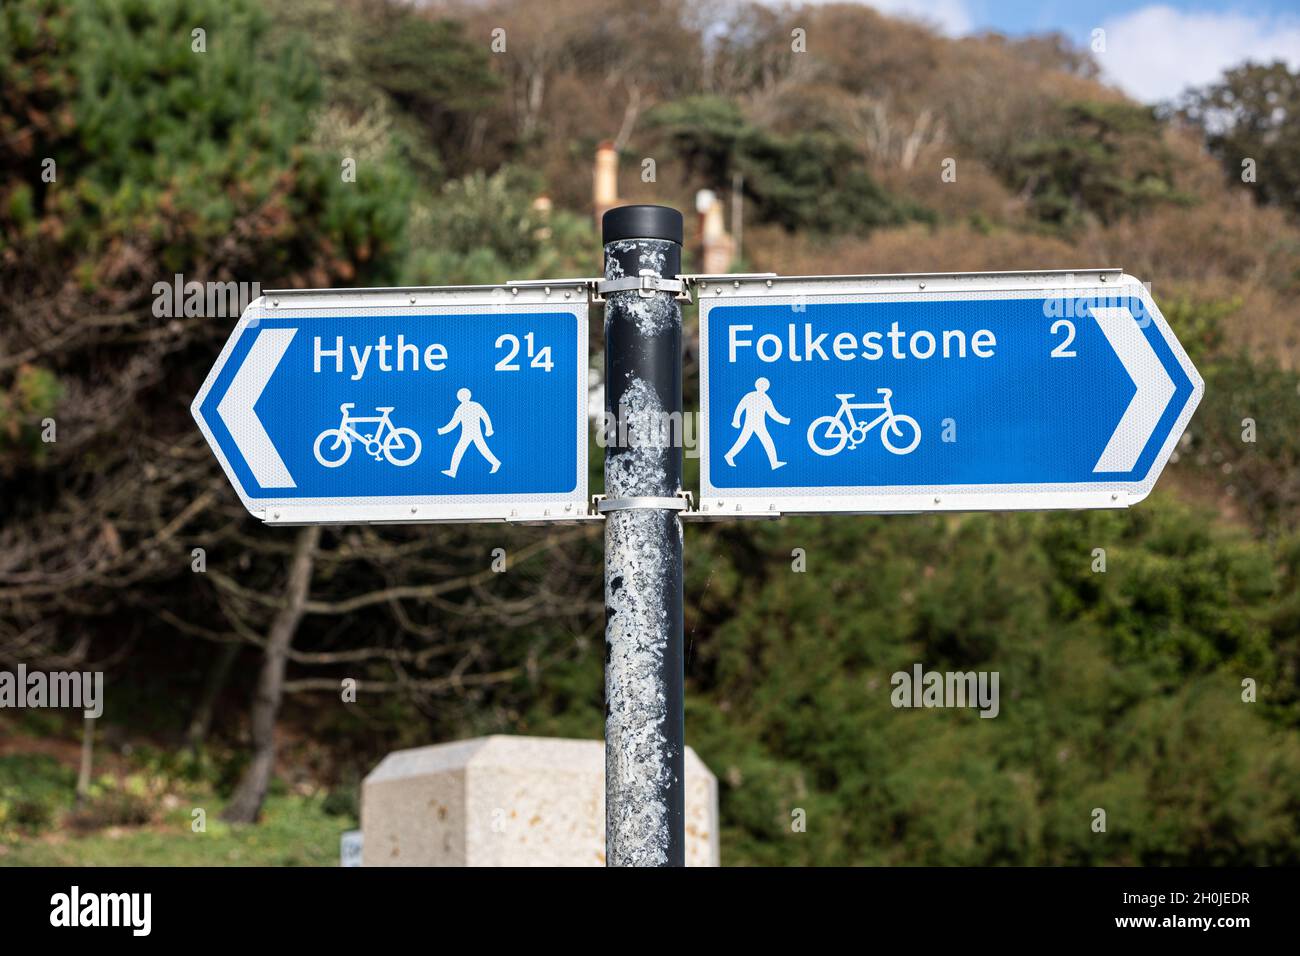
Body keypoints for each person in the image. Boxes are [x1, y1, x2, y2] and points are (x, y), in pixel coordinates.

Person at [724, 377, 789, 469]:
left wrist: (784, 420)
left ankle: (774, 463)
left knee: (757, 441)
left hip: (759, 424)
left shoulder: (765, 398)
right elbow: (740, 407)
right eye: (762, 385)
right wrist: (736, 420)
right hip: (751, 424)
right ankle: (774, 463)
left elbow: (772, 413)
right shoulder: (751, 396)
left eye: (765, 385)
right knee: (749, 441)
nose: (763, 387)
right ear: (757, 385)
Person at [438, 387, 501, 477]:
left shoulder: (474, 406)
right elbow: (454, 423)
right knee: (476, 449)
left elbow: (485, 417)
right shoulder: (462, 408)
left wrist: (489, 429)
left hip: (473, 433)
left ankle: (453, 471)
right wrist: (442, 430)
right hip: (467, 433)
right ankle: (453, 471)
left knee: (465, 449)